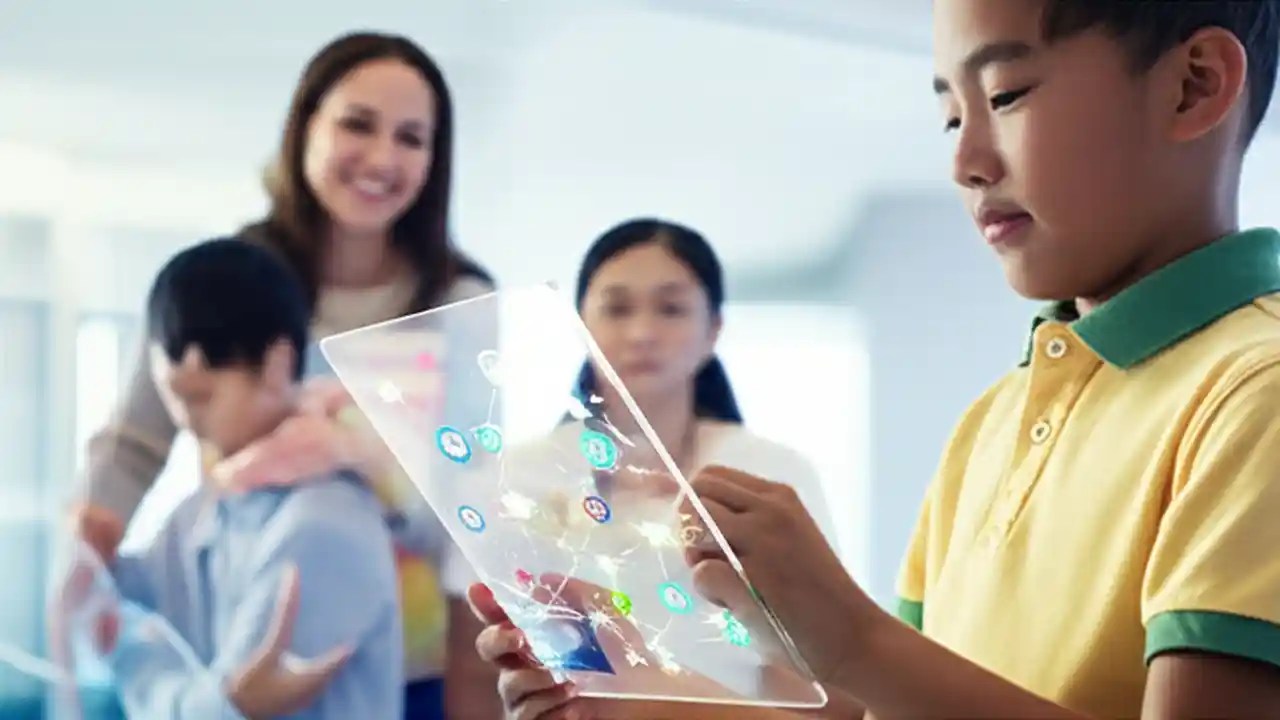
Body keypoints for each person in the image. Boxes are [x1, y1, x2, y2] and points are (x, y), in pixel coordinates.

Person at [467, 1, 1280, 718]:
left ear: (1194, 86)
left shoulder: (1257, 390)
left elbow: (872, 671)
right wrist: (624, 700)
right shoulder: (990, 422)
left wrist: (852, 636)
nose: (965, 161)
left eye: (1006, 94)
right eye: (952, 118)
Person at [70, 31, 499, 720]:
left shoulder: (461, 304)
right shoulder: (228, 277)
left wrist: (364, 459)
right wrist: (78, 564)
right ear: (306, 127)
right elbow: (133, 442)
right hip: (246, 638)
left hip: (404, 668)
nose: (383, 157)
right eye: (357, 124)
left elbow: (470, 502)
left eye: (412, 138)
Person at [445, 217, 853, 718]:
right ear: (580, 324)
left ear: (714, 329)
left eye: (672, 309)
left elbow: (819, 674)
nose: (642, 333)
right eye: (617, 309)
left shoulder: (770, 473)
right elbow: (473, 669)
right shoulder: (514, 479)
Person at [93, 238, 402, 719]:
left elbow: (222, 710)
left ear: (278, 365)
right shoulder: (215, 502)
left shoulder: (322, 526)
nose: (187, 422)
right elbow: (129, 593)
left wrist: (133, 660)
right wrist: (90, 569)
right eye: (173, 397)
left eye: (201, 397)